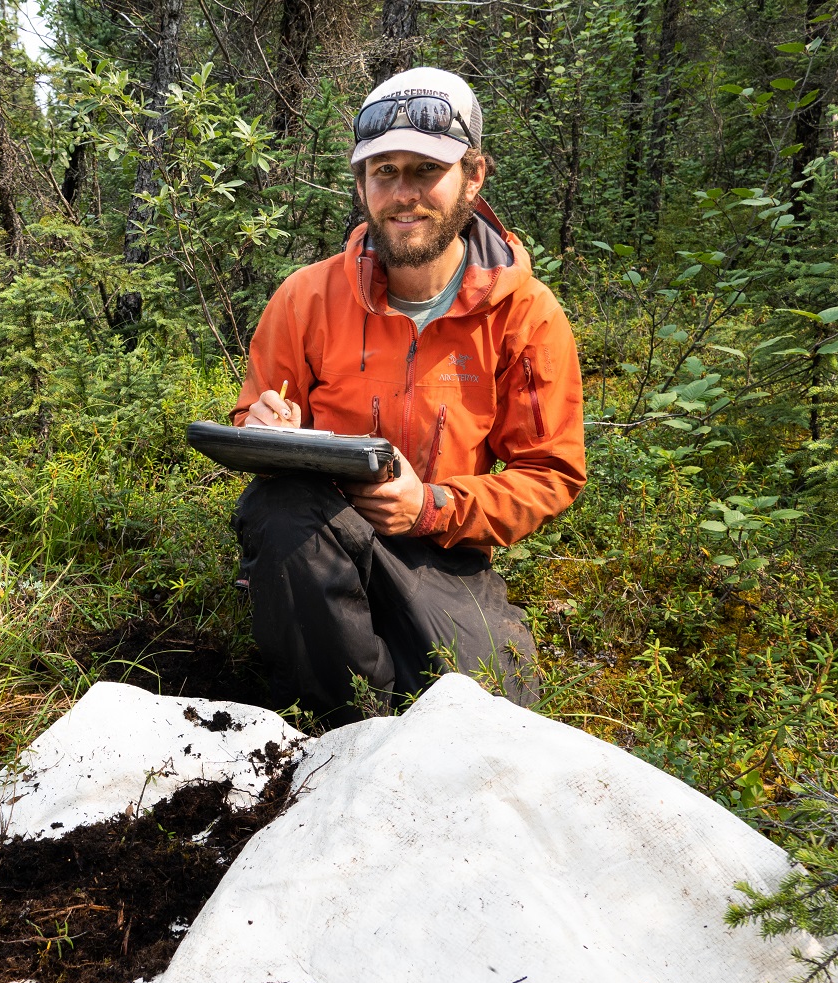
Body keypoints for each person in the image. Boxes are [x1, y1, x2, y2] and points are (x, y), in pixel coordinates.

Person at [230, 66, 586, 725]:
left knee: (490, 715)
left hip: (443, 553)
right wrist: (262, 420)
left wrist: (432, 506)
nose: (403, 195)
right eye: (384, 172)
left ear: (473, 176)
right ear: (361, 183)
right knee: (280, 511)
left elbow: (550, 472)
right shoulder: (307, 298)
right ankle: (343, 732)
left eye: (426, 170)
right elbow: (255, 416)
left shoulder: (526, 316)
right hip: (321, 534)